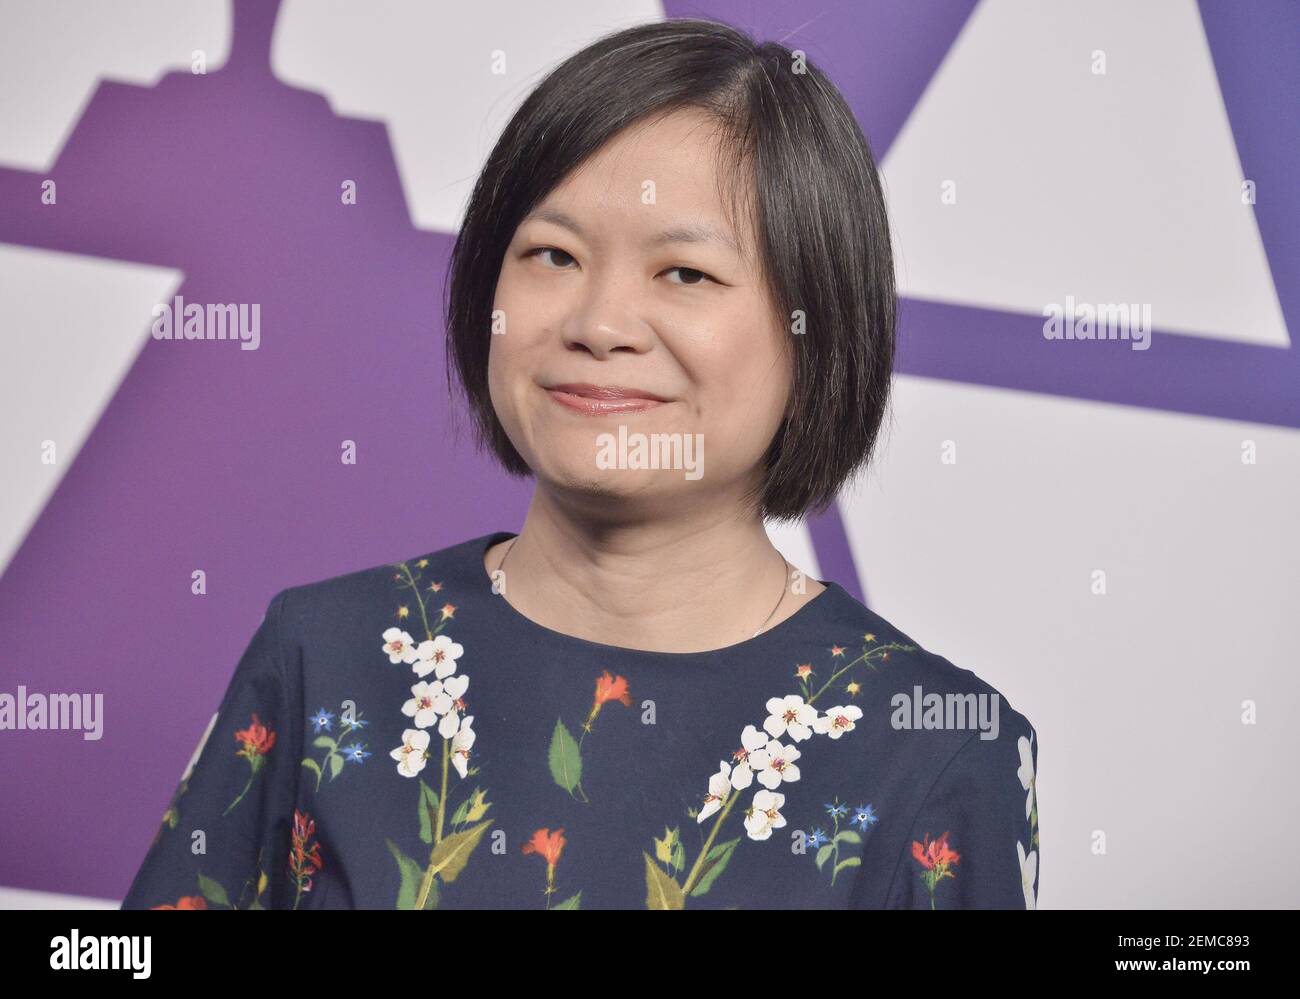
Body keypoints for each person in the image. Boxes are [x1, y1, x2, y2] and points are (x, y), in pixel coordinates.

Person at [122, 17, 1038, 911]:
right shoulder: (325, 655)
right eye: (551, 255)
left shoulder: (938, 747)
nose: (596, 324)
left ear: (819, 326)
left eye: (685, 273)